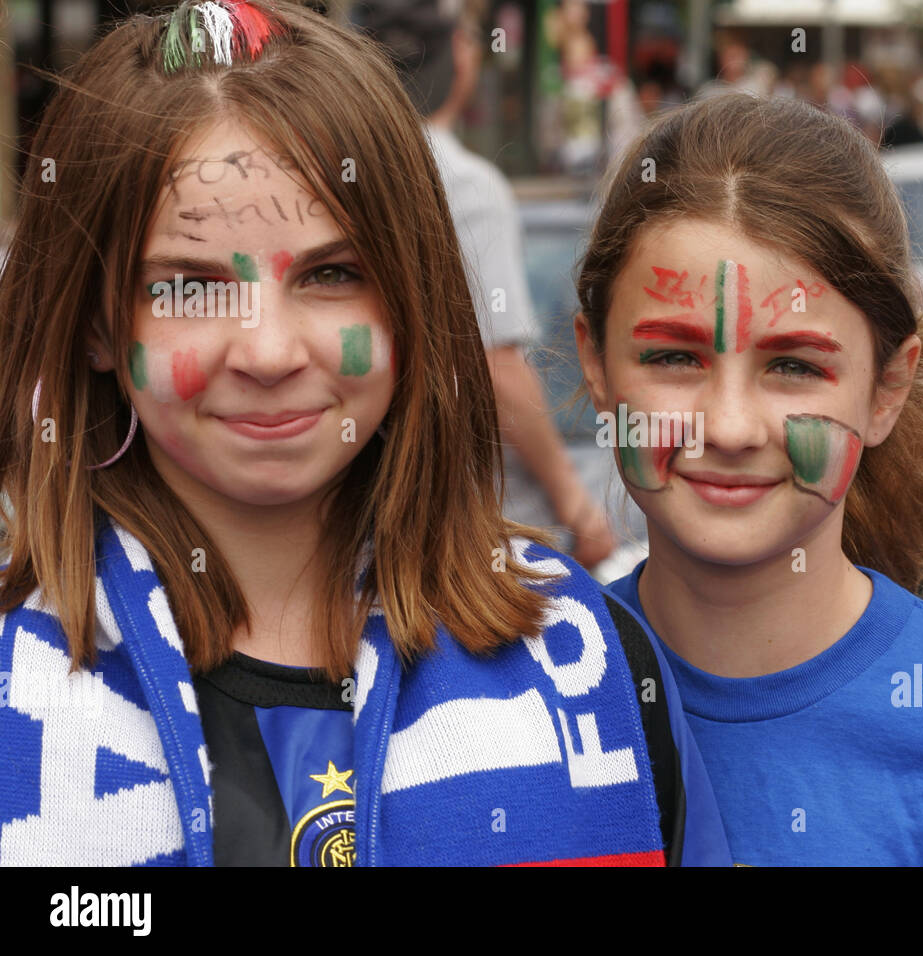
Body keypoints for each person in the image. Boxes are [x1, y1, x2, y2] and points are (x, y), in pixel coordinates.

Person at [0, 0, 728, 867]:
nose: (268, 350)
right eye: (189, 285)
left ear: (411, 296)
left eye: (332, 273)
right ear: (93, 323)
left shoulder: (598, 660)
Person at [572, 92, 923, 866]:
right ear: (596, 366)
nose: (731, 427)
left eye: (795, 367)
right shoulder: (502, 716)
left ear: (886, 390)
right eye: (674, 357)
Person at [349, 0, 615, 570]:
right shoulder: (467, 185)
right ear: (460, 63)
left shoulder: (341, 164)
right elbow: (498, 367)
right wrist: (577, 507)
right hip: (481, 520)